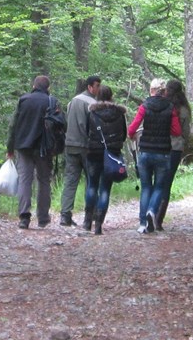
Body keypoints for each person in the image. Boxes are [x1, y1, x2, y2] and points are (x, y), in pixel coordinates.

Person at [125, 78, 182, 234]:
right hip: (163, 153)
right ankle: (151, 211)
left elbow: (132, 129)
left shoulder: (144, 106)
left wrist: (134, 135)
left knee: (146, 188)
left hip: (145, 152)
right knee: (159, 187)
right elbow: (177, 131)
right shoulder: (170, 108)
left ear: (152, 90)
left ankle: (143, 224)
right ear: (164, 91)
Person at [6, 75, 61, 229]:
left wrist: (10, 148)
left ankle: (24, 217)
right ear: (48, 88)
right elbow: (60, 126)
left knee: (25, 180)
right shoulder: (52, 101)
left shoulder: (23, 100)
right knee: (44, 180)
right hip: (44, 147)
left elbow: (13, 125)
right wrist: (57, 148)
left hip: (23, 146)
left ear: (34, 86)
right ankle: (43, 217)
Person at [82, 85, 128, 235]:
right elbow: (124, 134)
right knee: (105, 189)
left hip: (94, 152)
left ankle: (87, 221)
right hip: (112, 154)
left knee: (92, 186)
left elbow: (87, 131)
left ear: (98, 96)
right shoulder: (119, 114)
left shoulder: (92, 113)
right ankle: (98, 225)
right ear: (111, 96)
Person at [58, 74, 102, 228]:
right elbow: (95, 128)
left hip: (70, 145)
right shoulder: (92, 103)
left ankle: (65, 215)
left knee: (70, 181)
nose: (99, 89)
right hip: (86, 147)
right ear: (90, 87)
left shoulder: (72, 101)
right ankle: (91, 214)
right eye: (97, 86)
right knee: (92, 182)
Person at [154, 77, 193, 230]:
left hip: (160, 146)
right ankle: (159, 220)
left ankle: (151, 212)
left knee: (157, 180)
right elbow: (185, 132)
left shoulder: (162, 106)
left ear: (167, 90)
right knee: (167, 183)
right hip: (175, 148)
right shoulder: (184, 110)